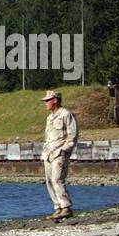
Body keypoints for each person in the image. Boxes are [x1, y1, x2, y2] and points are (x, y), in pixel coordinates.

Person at [42, 89, 78, 220]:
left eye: (47, 100)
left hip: (59, 153)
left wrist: (65, 150)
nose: (45, 103)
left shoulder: (66, 114)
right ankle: (57, 207)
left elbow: (72, 135)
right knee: (49, 181)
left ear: (55, 100)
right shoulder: (49, 117)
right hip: (48, 153)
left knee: (58, 179)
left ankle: (66, 207)